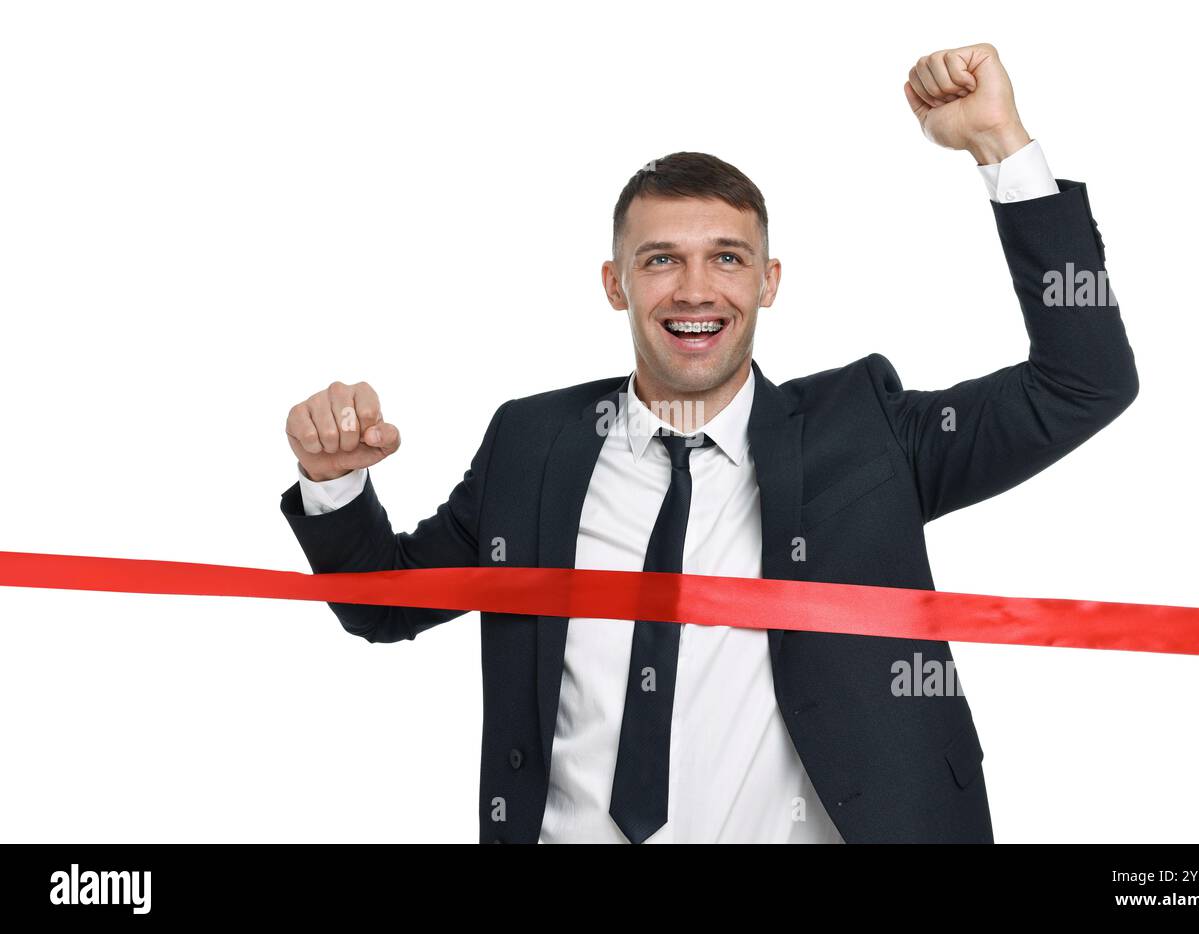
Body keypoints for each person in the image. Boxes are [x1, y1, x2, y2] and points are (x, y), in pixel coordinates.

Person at [279, 43, 1138, 843]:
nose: (696, 290)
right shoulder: (533, 443)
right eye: (660, 260)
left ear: (768, 282)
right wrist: (333, 486)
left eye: (728, 259)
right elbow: (384, 602)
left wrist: (1000, 146)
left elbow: (1084, 382)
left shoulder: (866, 433)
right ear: (615, 284)